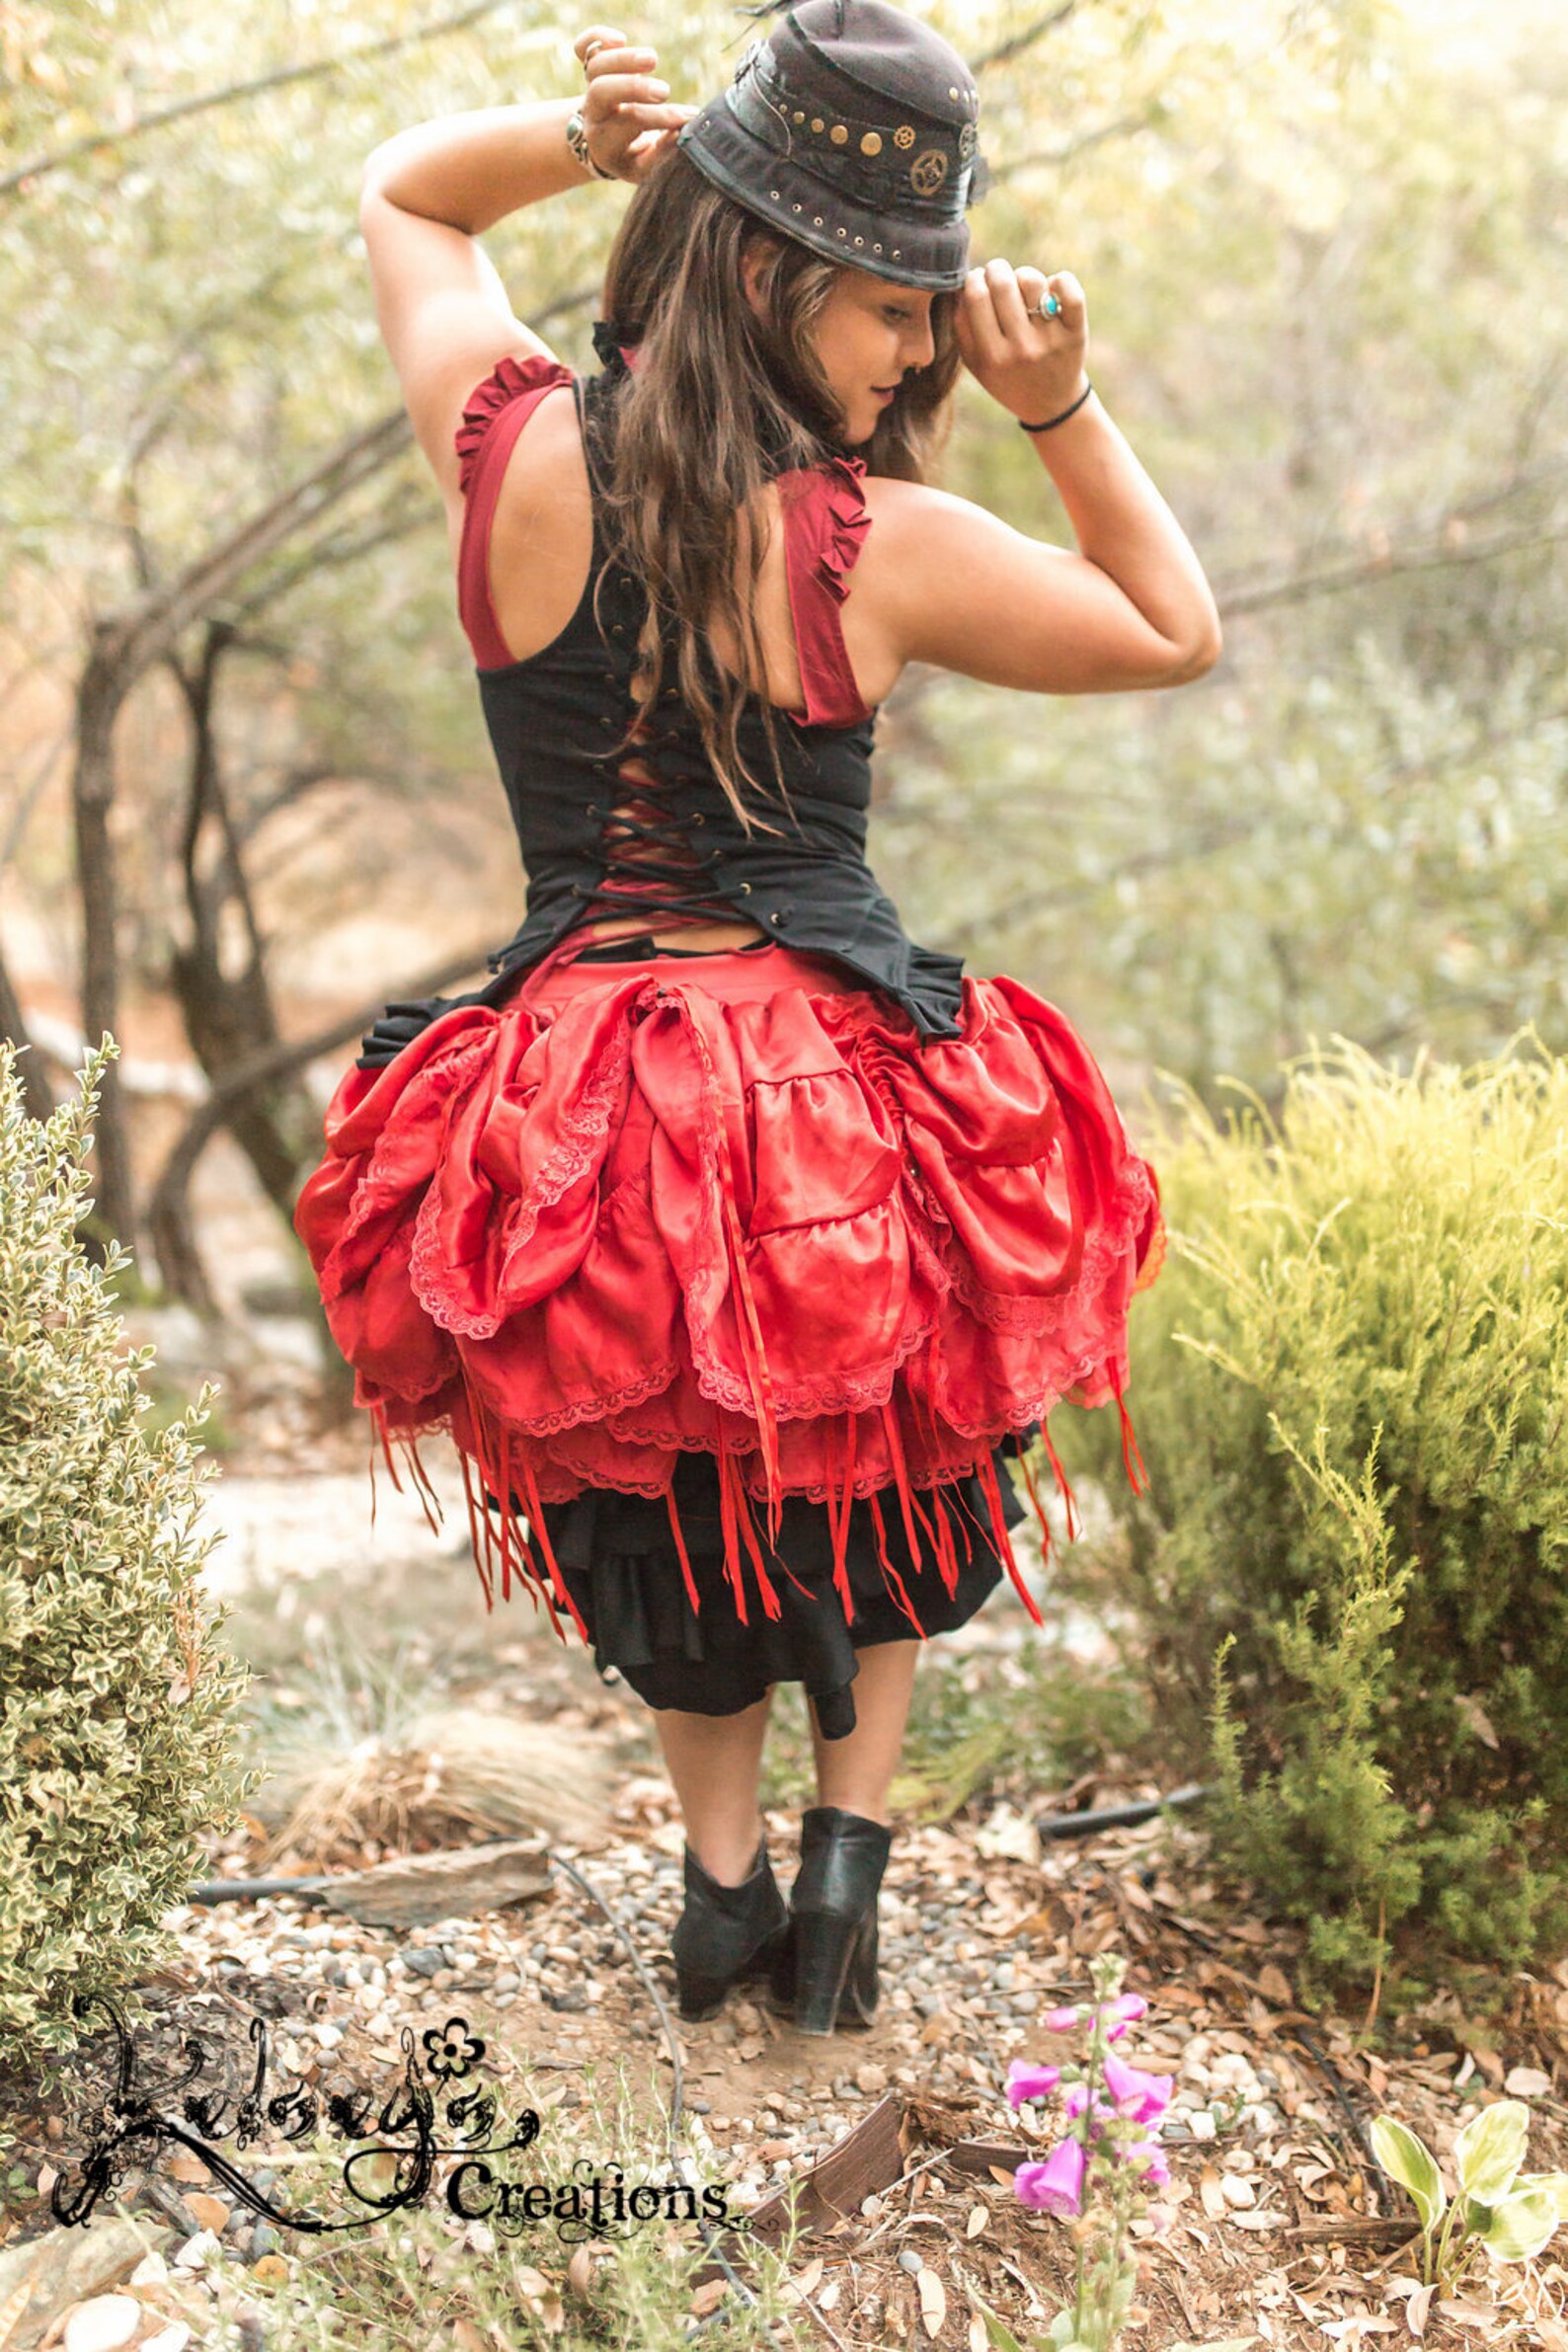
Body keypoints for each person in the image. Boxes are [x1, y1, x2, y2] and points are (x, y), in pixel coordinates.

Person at [292, 0, 1220, 2039]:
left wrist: (581, 137)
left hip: (577, 1093)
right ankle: (846, 1869)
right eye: (893, 311)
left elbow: (396, 198)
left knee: (661, 1488)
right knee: (903, 1442)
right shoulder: (874, 544)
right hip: (827, 1088)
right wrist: (1060, 407)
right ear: (773, 272)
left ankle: (720, 1893)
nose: (918, 354)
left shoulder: (503, 441)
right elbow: (1171, 627)